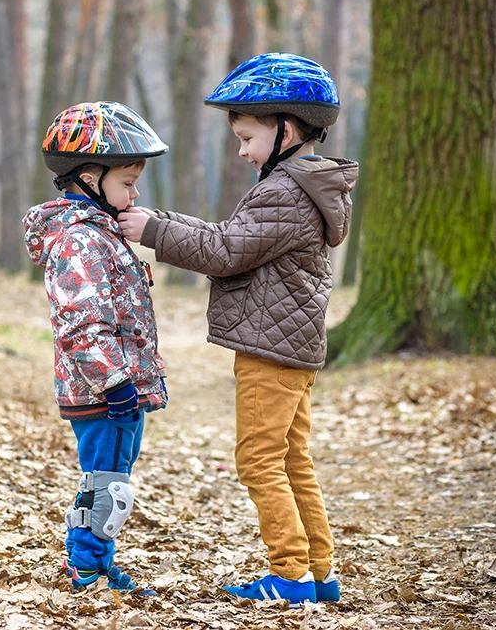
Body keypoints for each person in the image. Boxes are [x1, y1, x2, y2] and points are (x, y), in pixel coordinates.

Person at [119, 53, 359, 605]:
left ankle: (290, 575)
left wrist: (152, 230)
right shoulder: (304, 185)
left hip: (270, 352)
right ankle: (317, 572)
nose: (243, 150)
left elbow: (225, 252)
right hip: (290, 349)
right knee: (291, 459)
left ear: (287, 129)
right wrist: (164, 222)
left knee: (257, 461)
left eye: (248, 136)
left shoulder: (285, 190)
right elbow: (234, 236)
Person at [22, 101, 169, 593]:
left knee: (112, 483)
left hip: (119, 389)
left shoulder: (99, 234)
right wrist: (115, 380)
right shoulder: (78, 241)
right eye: (127, 182)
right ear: (89, 177)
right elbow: (82, 324)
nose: (135, 193)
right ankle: (85, 570)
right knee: (105, 487)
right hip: (105, 391)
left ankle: (97, 563)